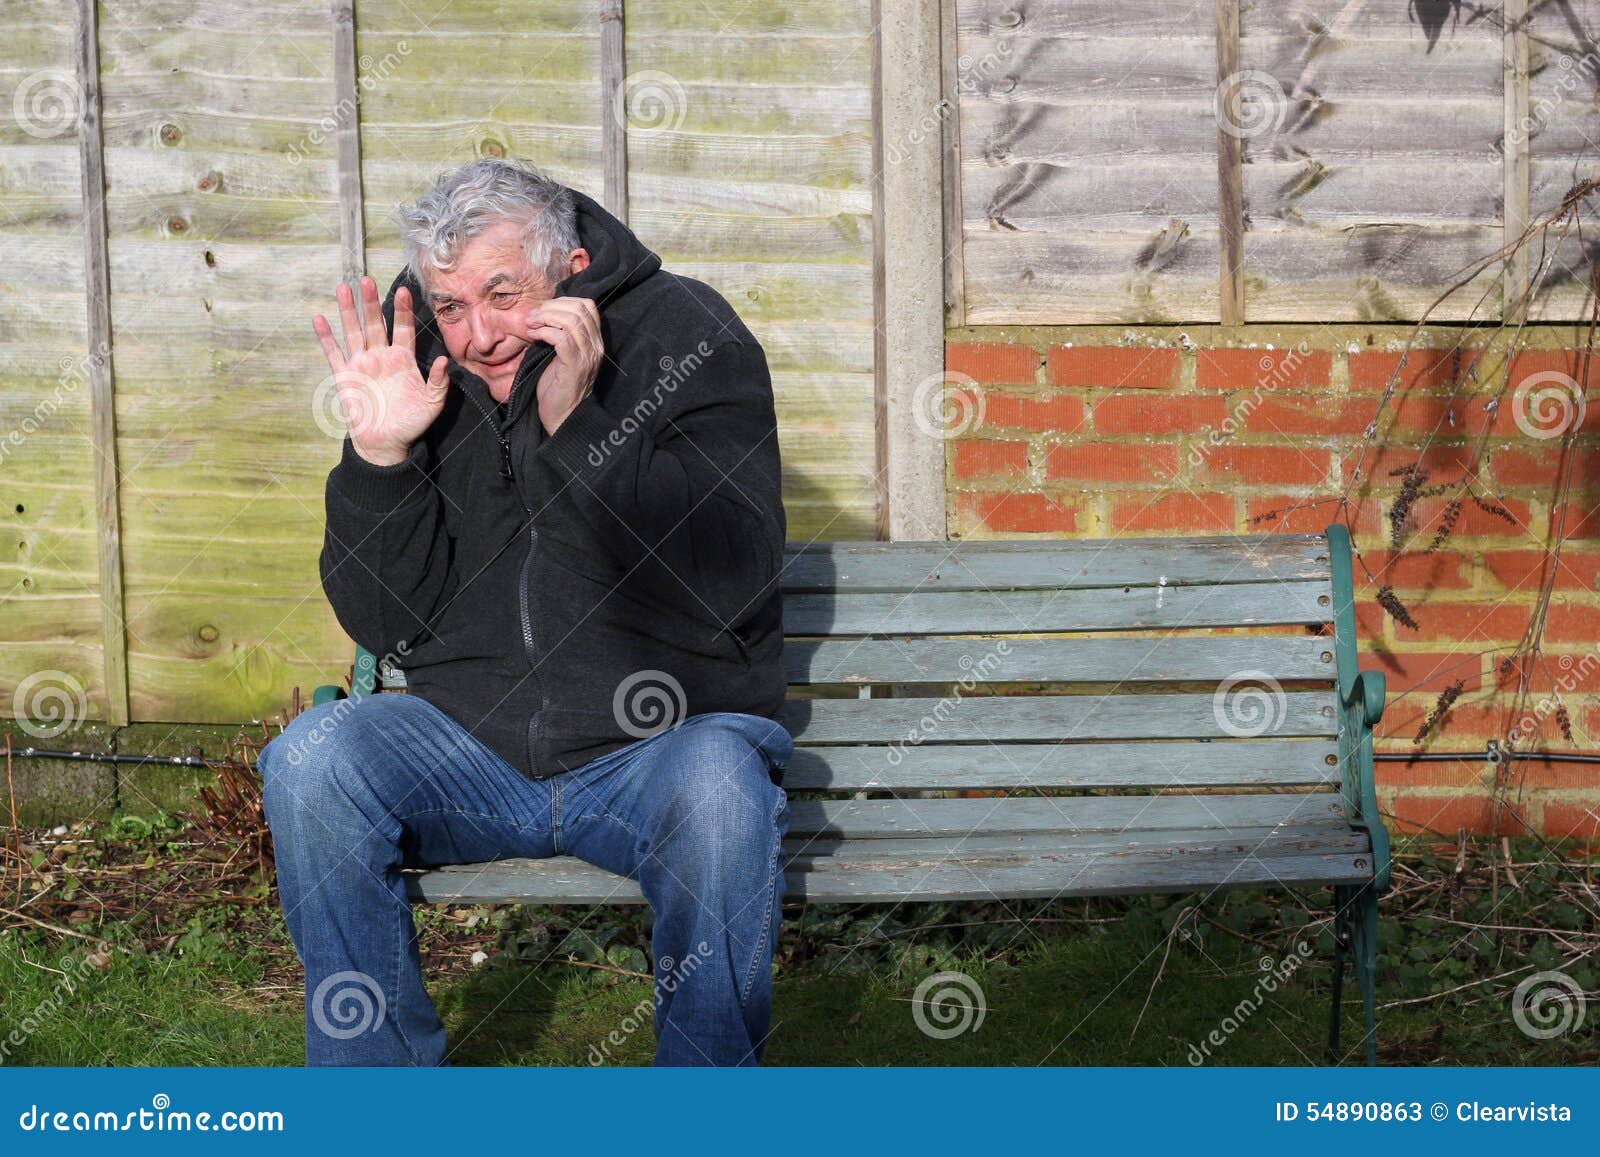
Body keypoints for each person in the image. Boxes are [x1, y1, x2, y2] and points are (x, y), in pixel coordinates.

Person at [257, 157, 793, 1067]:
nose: (478, 336)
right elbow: (383, 619)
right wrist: (380, 458)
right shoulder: (419, 356)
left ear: (571, 268)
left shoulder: (687, 333)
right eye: (452, 305)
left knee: (718, 786)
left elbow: (733, 576)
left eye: (503, 295)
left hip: (655, 748)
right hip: (465, 751)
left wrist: (582, 430)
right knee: (312, 758)